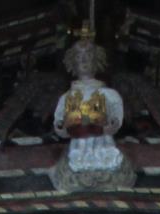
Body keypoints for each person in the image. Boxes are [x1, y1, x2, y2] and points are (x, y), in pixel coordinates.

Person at [49, 30, 136, 193]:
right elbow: (59, 123)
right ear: (72, 62)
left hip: (102, 140)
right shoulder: (67, 97)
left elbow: (117, 117)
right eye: (79, 56)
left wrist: (113, 125)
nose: (84, 60)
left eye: (88, 55)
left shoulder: (109, 95)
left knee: (107, 159)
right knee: (76, 160)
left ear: (97, 59)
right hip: (78, 142)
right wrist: (61, 128)